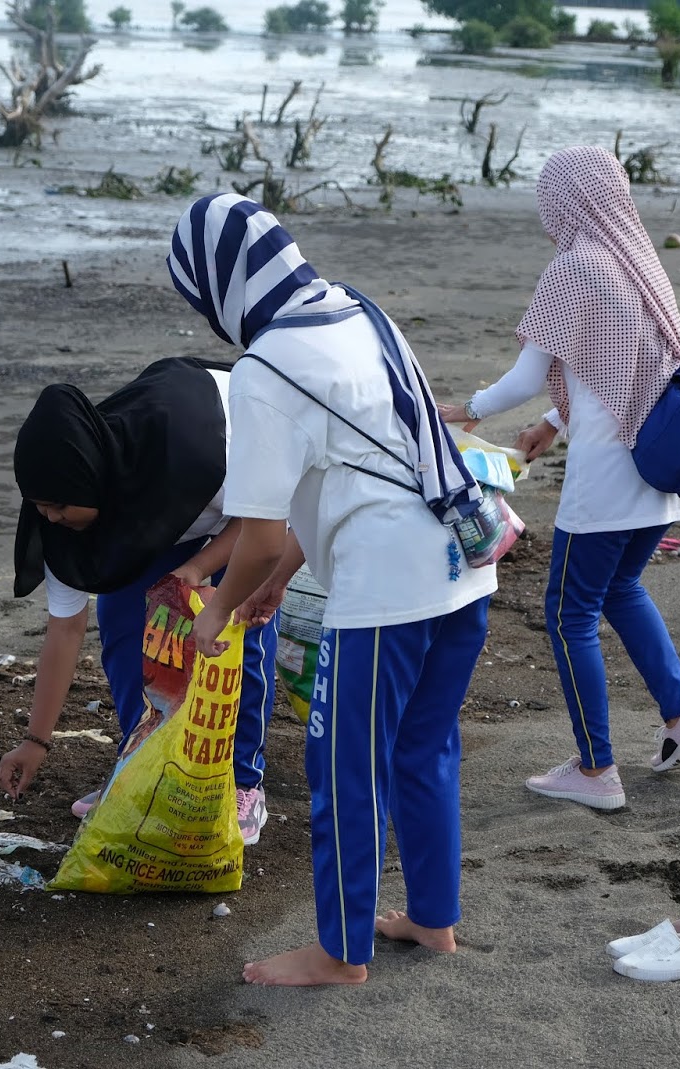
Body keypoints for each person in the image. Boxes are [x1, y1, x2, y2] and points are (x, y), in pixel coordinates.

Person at [171, 192, 498, 987]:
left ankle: (341, 952)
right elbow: (358, 465)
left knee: (346, 765)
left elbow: (258, 534)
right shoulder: (358, 309)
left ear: (218, 286)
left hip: (387, 589)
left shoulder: (263, 368)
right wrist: (282, 578)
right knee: (425, 747)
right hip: (464, 559)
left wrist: (217, 609)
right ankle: (433, 919)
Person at [438, 144, 680, 813]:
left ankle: (596, 768)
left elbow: (527, 376)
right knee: (620, 588)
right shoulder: (637, 259)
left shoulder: (575, 267)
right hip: (658, 474)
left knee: (568, 615)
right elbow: (620, 369)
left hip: (608, 480)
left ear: (566, 201)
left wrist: (465, 409)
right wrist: (552, 423)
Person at [0, 357, 279, 846]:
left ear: (90, 479)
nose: (51, 518)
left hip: (245, 495)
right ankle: (143, 769)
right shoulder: (61, 523)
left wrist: (197, 570)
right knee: (125, 623)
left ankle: (241, 782)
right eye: (40, 508)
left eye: (59, 506)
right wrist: (35, 741)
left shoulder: (196, 453)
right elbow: (65, 631)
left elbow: (263, 524)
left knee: (237, 630)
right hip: (149, 518)